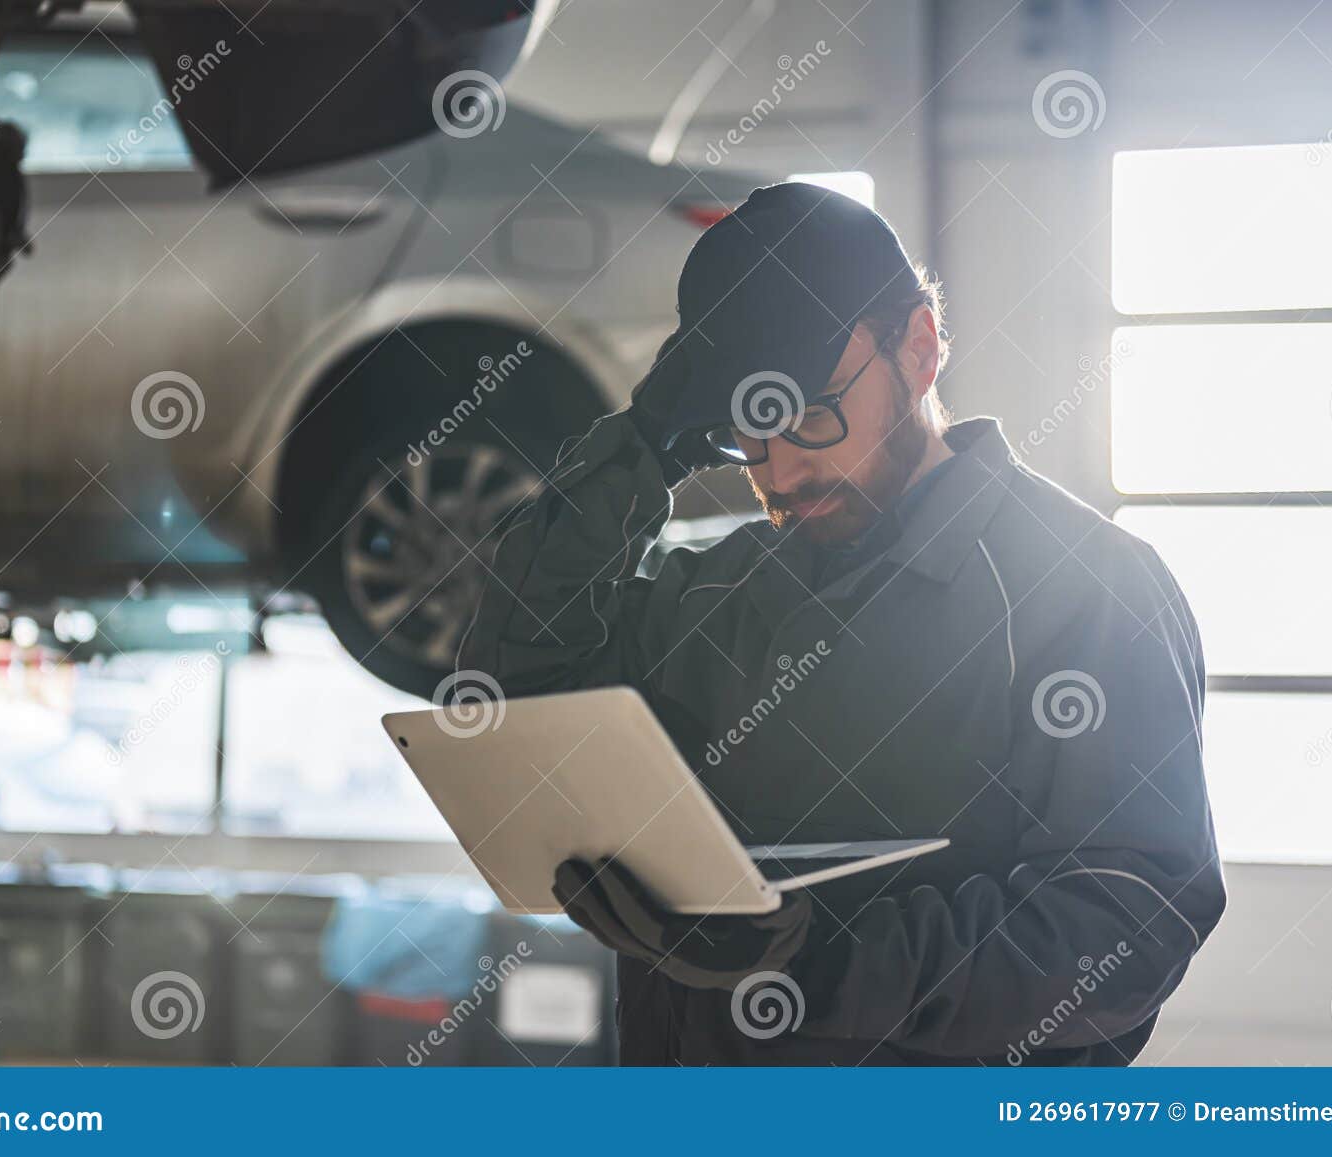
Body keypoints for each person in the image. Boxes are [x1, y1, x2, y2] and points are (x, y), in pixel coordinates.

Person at [457, 182, 1226, 1065]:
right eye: (745, 432)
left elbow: (1127, 918)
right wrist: (643, 444)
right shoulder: (713, 592)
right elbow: (511, 696)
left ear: (920, 345)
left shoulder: (1087, 591)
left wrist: (812, 965)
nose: (780, 471)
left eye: (813, 410)